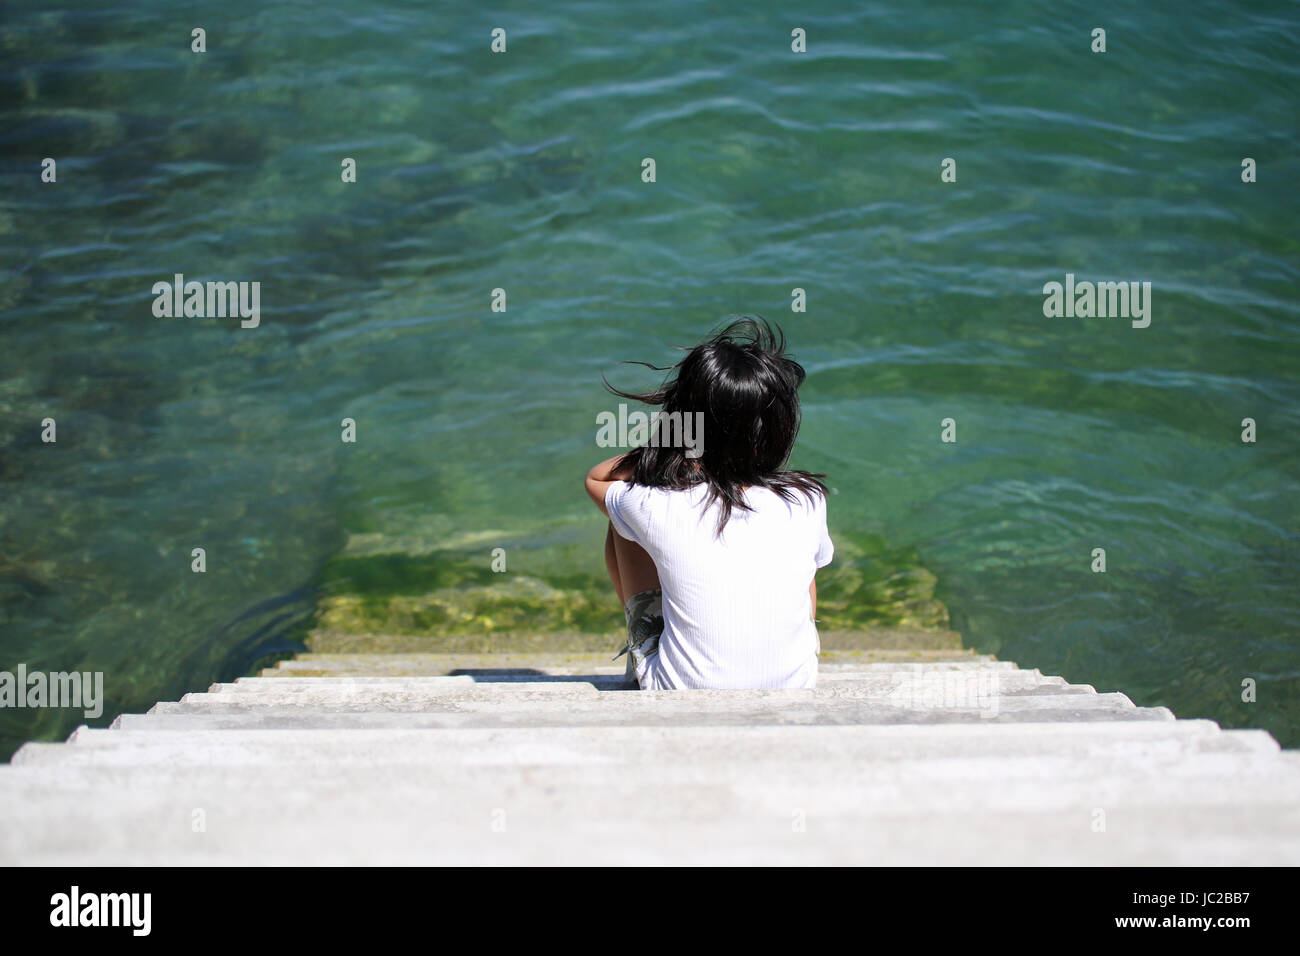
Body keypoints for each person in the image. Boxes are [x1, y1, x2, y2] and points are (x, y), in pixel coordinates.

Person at [583, 316, 834, 690]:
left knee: (622, 517)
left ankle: (644, 647)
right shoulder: (805, 498)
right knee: (799, 557)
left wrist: (668, 450)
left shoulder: (653, 504)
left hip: (678, 686)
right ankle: (788, 650)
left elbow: (597, 478)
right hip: (794, 681)